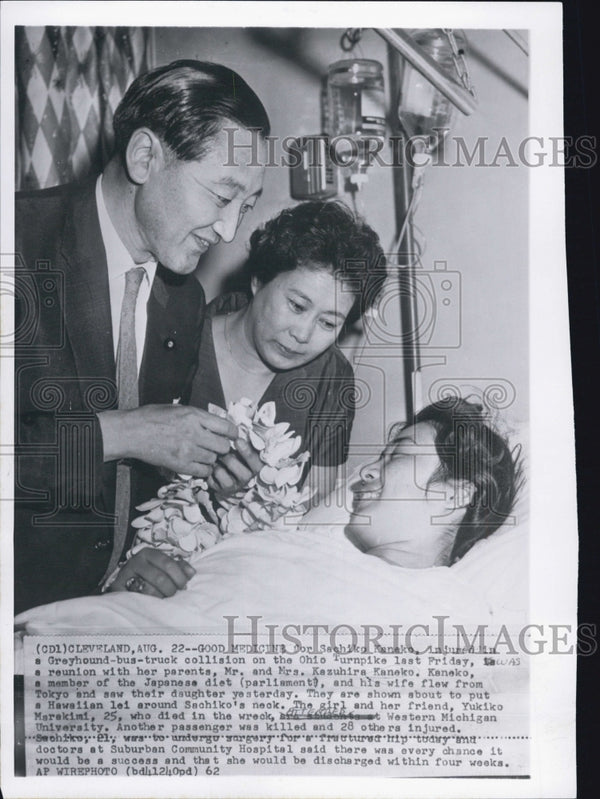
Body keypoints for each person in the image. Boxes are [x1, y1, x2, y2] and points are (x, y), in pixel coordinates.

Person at [14, 60, 270, 613]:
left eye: (246, 207)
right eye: (222, 196)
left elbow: (133, 481)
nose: (230, 231)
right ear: (145, 157)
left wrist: (209, 477)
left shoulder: (182, 299)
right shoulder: (17, 245)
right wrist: (117, 434)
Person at [184, 200, 386, 500]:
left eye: (328, 323)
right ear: (259, 280)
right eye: (296, 306)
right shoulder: (180, 337)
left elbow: (314, 508)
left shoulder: (331, 377)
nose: (302, 335)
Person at [345, 397, 523, 567]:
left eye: (398, 454)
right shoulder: (337, 571)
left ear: (457, 494)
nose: (366, 471)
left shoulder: (426, 596)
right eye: (383, 457)